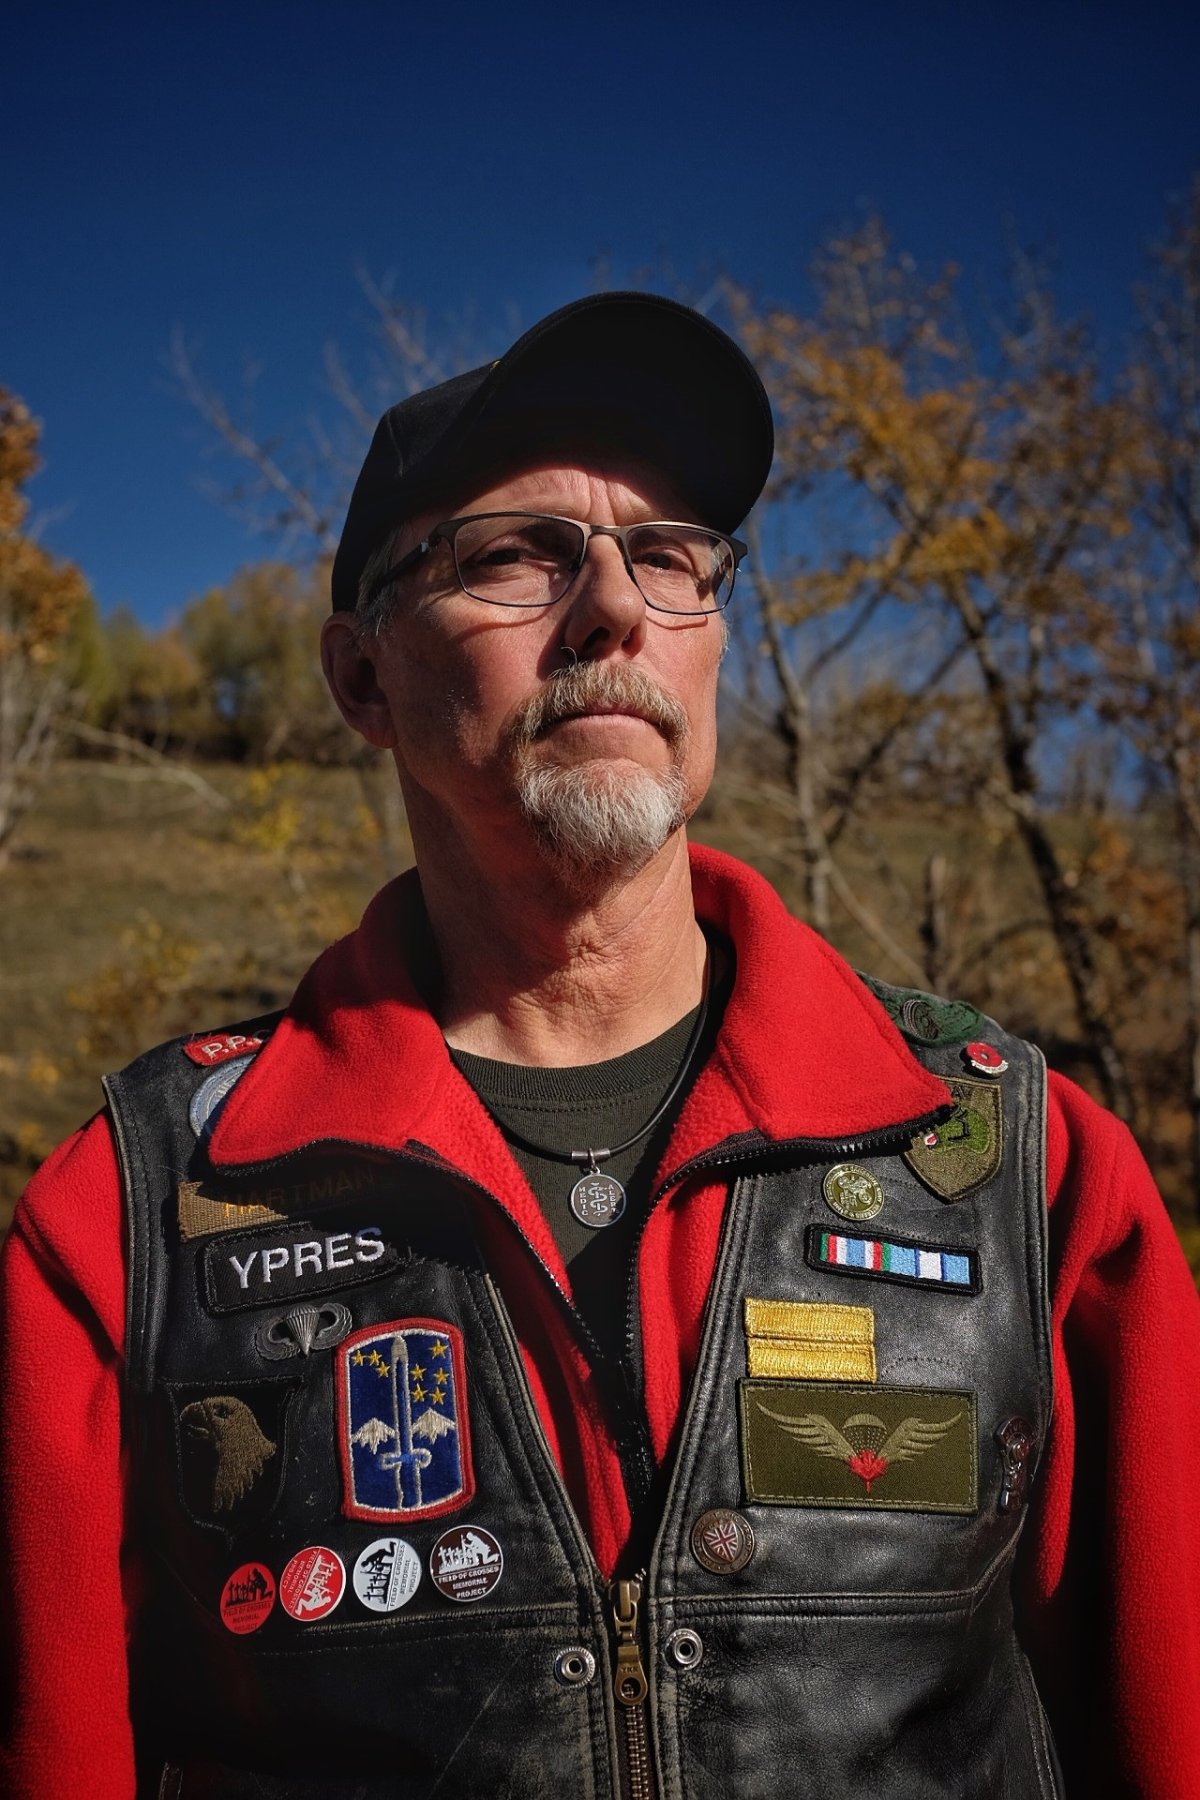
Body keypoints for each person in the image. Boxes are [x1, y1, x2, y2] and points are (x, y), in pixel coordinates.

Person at [1, 292, 1198, 1800]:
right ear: (362, 676)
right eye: (517, 554)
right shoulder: (131, 1219)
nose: (617, 606)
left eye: (673, 555)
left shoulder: (1022, 1167)